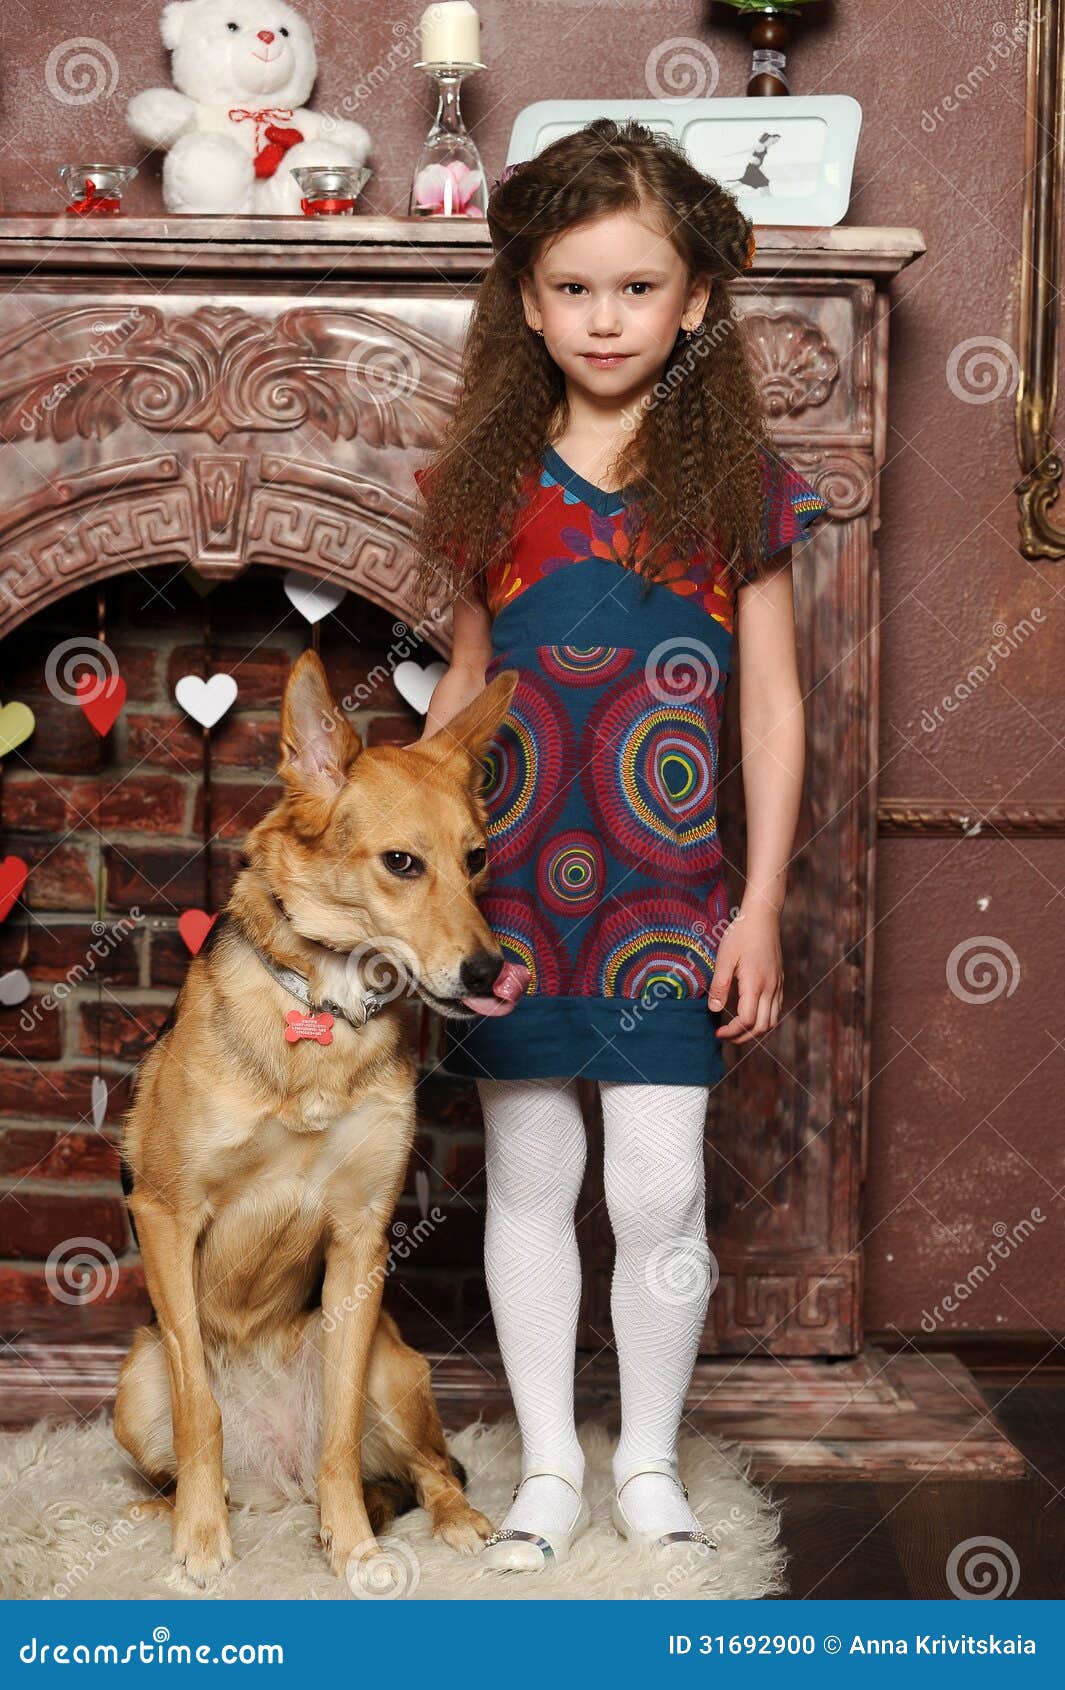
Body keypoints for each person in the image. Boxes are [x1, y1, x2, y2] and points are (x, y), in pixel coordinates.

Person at [409, 118, 830, 1572]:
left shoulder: (735, 488)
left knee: (652, 1182)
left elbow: (771, 709)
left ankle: (644, 1458)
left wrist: (758, 900)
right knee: (527, 1172)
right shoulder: (490, 482)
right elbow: (461, 695)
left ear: (694, 299)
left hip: (664, 895)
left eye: (636, 289)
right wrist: (416, 886)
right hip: (512, 891)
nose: (604, 318)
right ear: (525, 300)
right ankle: (543, 1466)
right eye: (573, 289)